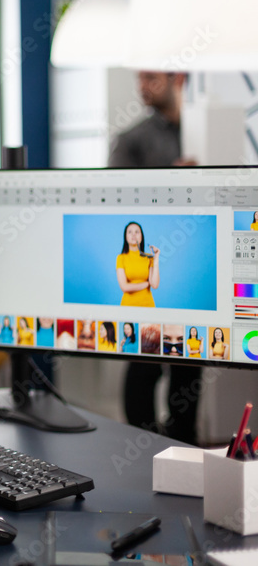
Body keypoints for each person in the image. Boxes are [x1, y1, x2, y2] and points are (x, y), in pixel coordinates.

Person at [110, 70, 200, 446]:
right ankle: (141, 447)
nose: (142, 86)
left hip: (190, 268)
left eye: (151, 78)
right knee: (143, 365)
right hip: (144, 271)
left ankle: (185, 450)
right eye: (140, 78)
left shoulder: (200, 131)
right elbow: (114, 204)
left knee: (189, 369)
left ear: (177, 76)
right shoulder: (131, 141)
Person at [116, 221, 160, 307]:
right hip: (127, 305)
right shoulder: (121, 258)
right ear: (126, 237)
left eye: (137, 232)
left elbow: (154, 284)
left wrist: (156, 258)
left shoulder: (149, 257)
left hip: (147, 304)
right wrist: (146, 284)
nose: (133, 235)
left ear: (141, 236)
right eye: (130, 232)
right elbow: (124, 287)